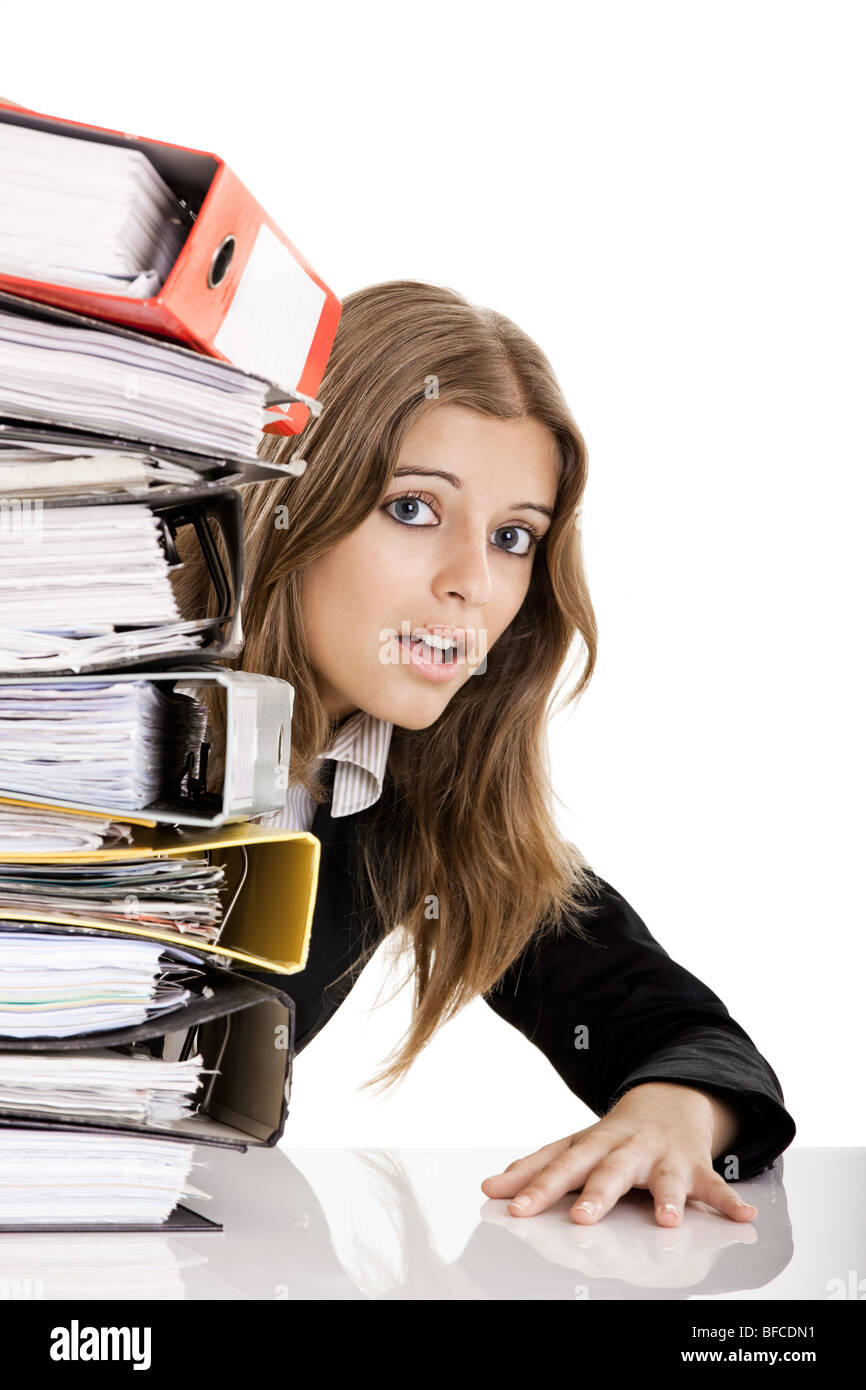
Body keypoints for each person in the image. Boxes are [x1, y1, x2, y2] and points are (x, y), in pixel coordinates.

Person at [182, 279, 795, 1227]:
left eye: (513, 537)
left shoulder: (413, 802)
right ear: (289, 500)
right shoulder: (79, 722)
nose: (473, 583)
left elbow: (668, 1025)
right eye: (415, 509)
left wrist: (671, 1114)